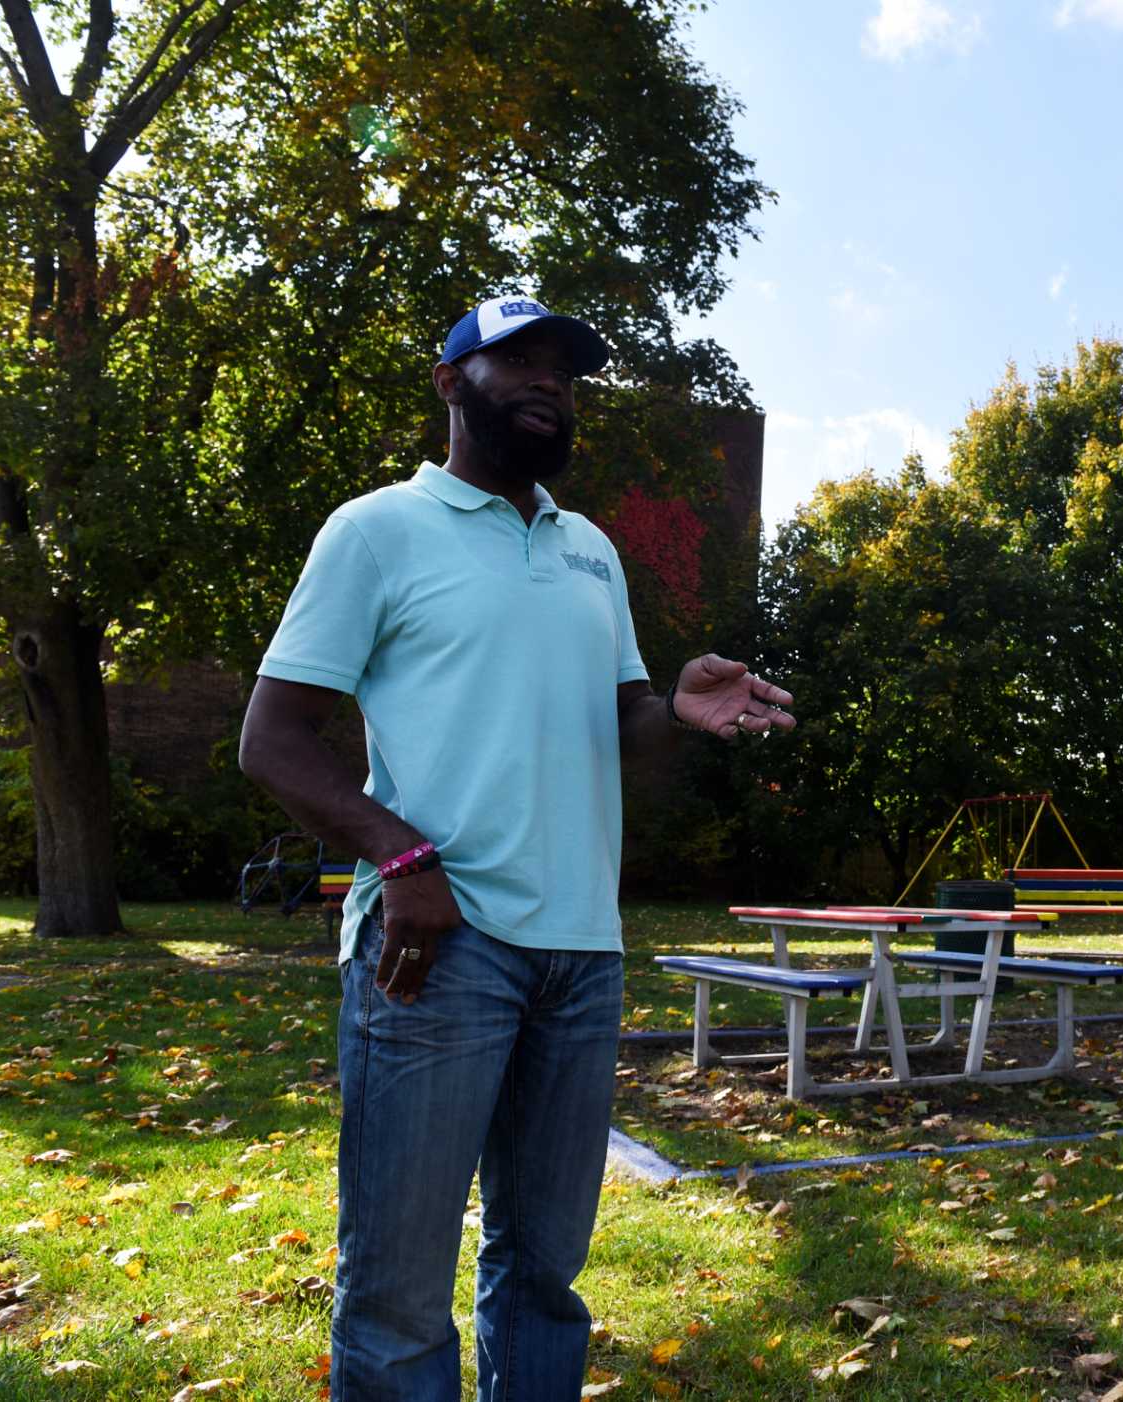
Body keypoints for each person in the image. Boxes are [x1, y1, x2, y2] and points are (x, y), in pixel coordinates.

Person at [239, 295, 794, 1399]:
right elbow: (271, 740)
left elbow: (620, 720)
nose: (549, 382)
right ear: (451, 385)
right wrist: (402, 860)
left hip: (581, 955)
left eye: (565, 371)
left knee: (544, 1275)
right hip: (440, 957)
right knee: (398, 1288)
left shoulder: (590, 551)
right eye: (517, 362)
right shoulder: (375, 531)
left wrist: (677, 711)